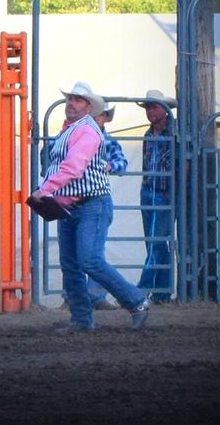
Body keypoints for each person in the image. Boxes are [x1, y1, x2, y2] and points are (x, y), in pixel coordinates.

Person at [31, 81, 149, 333]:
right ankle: (82, 319)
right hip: (73, 206)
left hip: (90, 204)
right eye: (70, 98)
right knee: (73, 263)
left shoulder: (84, 131)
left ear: (88, 107)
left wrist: (46, 189)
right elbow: (63, 167)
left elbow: (74, 167)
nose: (71, 103)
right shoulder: (72, 130)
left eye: (77, 99)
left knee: (89, 260)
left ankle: (136, 301)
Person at [84, 104, 126, 311]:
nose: (96, 118)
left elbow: (121, 163)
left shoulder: (106, 141)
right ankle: (89, 295)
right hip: (90, 199)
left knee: (91, 252)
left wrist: (111, 166)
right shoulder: (81, 135)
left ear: (106, 118)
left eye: (100, 115)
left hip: (92, 199)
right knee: (90, 252)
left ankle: (94, 295)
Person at [137, 89, 177, 304]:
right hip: (150, 190)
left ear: (165, 109)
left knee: (157, 242)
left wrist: (174, 188)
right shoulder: (149, 134)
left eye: (154, 107)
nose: (150, 112)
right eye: (148, 108)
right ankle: (162, 293)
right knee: (156, 242)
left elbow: (184, 164)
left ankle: (139, 292)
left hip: (164, 193)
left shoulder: (175, 131)